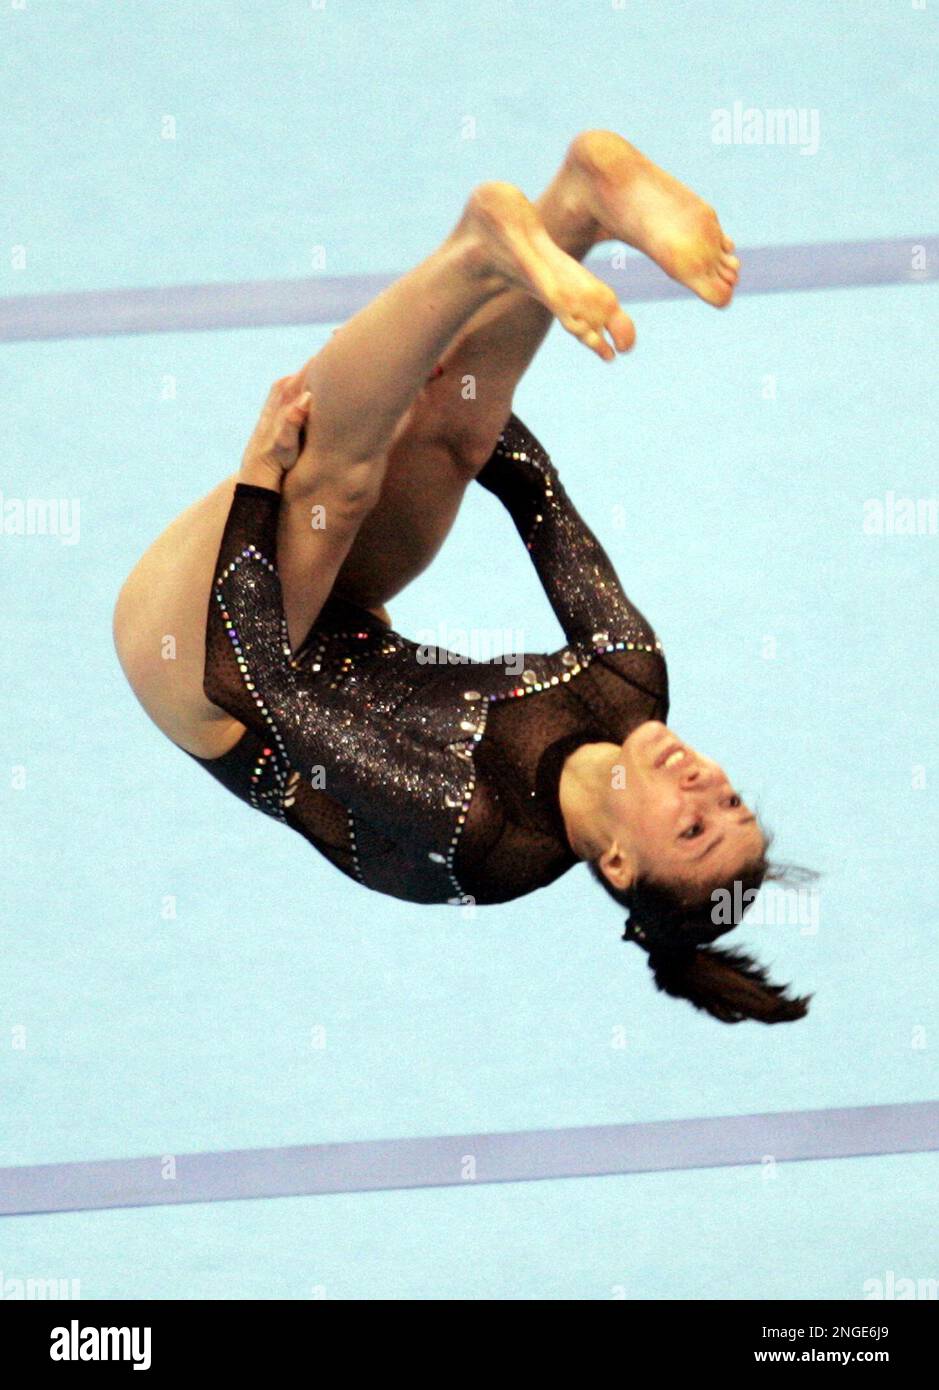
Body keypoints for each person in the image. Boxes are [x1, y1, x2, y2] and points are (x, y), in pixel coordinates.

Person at [113, 130, 809, 1024]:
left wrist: (259, 478)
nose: (702, 784)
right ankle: (578, 205)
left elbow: (254, 684)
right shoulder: (633, 685)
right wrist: (425, 395)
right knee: (457, 432)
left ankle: (477, 249)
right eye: (731, 800)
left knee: (336, 480)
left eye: (691, 824)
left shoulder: (476, 827)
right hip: (344, 614)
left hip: (203, 669)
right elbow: (532, 491)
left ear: (620, 868)